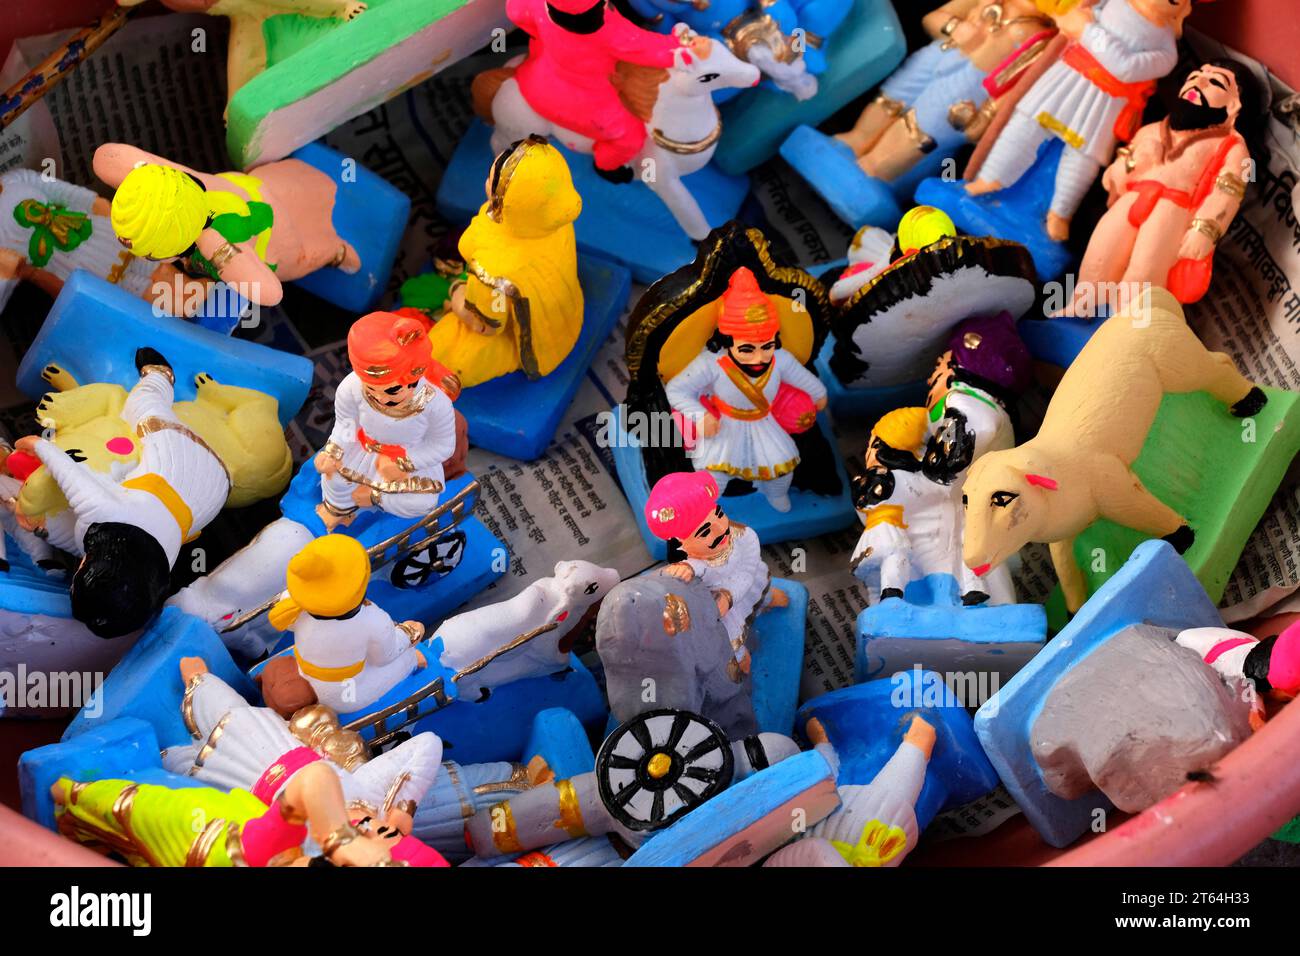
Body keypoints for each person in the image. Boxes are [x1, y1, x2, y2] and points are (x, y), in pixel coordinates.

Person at [12, 348, 230, 637]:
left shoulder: (157, 569)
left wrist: (44, 529)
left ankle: (42, 526)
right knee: (140, 406)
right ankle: (160, 375)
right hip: (181, 455)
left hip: (215, 493)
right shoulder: (107, 511)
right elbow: (72, 476)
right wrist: (39, 446)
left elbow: (79, 542)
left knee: (71, 529)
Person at [965, 0, 1189, 241]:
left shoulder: (1167, 49)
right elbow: (1073, 17)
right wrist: (1078, 23)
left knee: (1084, 156)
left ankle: (1059, 213)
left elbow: (1125, 67)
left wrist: (1087, 31)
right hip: (1067, 76)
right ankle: (991, 177)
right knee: (1025, 125)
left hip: (1106, 103)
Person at [1063, 59, 1258, 315]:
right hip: (1132, 199)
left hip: (1172, 210)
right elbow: (1115, 176)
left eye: (1214, 82)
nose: (1197, 82)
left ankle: (1126, 323)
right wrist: (1134, 162)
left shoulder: (1232, 147)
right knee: (1102, 250)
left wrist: (1204, 231)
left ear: (1233, 106)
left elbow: (1228, 193)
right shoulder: (1153, 129)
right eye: (1194, 75)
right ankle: (1081, 305)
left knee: (1146, 269)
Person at [664, 266, 828, 512]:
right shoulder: (712, 363)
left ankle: (774, 496)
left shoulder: (780, 360)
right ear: (727, 341)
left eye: (767, 346)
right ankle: (705, 511)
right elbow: (676, 390)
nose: (758, 357)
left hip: (764, 423)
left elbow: (803, 378)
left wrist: (819, 394)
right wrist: (700, 416)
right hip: (724, 425)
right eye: (747, 349)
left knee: (781, 471)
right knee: (714, 477)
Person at [437, 137, 584, 386]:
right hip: (570, 313)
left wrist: (457, 295)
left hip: (536, 345)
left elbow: (487, 326)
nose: (487, 183)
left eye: (491, 180)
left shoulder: (494, 266)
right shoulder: (552, 217)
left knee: (442, 355)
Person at [507, 0, 711, 178]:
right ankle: (607, 167)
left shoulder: (539, 5)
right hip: (579, 95)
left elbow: (515, 10)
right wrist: (685, 45)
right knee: (629, 137)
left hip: (543, 68)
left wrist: (542, 36)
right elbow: (648, 48)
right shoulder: (607, 30)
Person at [315, 311, 459, 531]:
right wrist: (334, 451)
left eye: (392, 390)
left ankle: (375, 498)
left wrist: (405, 463)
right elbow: (346, 424)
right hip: (364, 449)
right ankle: (338, 511)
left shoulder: (435, 404)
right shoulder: (351, 387)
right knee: (334, 479)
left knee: (424, 501)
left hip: (409, 458)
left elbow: (443, 446)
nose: (381, 398)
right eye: (371, 389)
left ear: (413, 377)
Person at [646, 471, 788, 678]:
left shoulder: (742, 535)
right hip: (722, 609)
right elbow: (696, 570)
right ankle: (739, 656)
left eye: (719, 514)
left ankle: (767, 599)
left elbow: (749, 566)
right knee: (732, 634)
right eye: (704, 532)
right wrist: (687, 569)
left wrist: (729, 596)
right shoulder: (694, 564)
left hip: (745, 586)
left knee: (761, 589)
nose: (720, 528)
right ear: (683, 545)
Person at [269, 535, 428, 714]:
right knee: (408, 658)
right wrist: (408, 632)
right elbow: (385, 657)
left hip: (305, 671)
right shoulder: (373, 621)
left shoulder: (292, 600)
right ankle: (416, 661)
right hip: (345, 693)